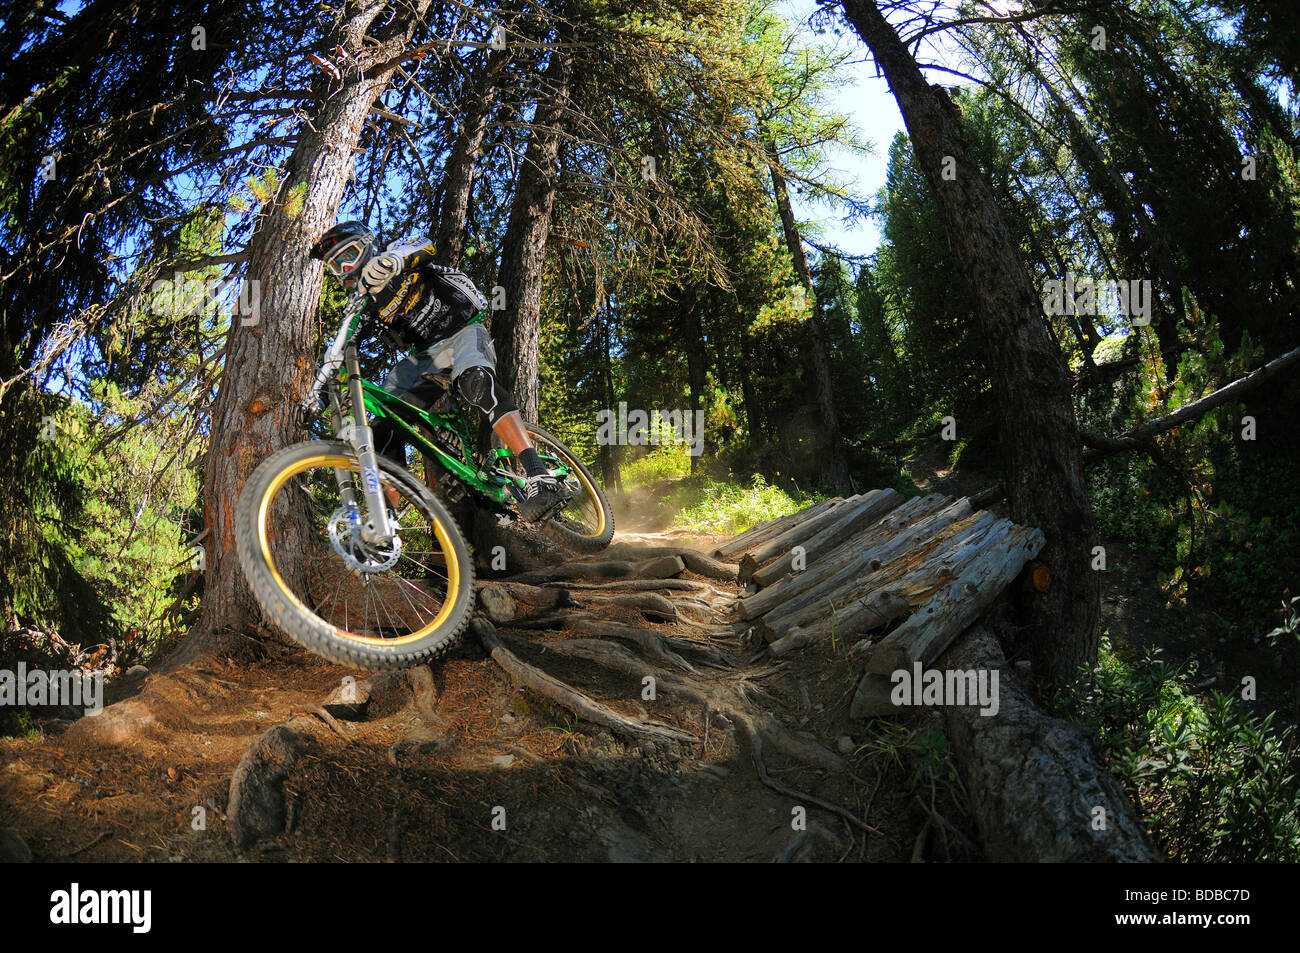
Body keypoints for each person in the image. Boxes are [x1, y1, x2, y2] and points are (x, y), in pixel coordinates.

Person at [308, 220, 571, 521]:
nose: (344, 269)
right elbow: (339, 351)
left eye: (348, 256)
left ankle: (539, 474)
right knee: (383, 425)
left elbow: (425, 246)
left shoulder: (396, 254)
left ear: (367, 246)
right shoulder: (363, 307)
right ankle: (387, 519)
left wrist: (393, 262)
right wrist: (318, 398)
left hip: (464, 329)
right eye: (335, 266)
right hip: (429, 357)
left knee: (476, 382)